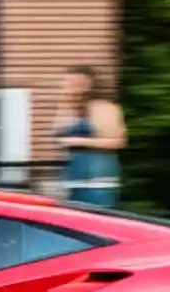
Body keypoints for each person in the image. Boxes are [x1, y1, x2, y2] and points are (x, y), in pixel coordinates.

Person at [52, 66, 126, 207]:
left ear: (90, 85)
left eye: (76, 83)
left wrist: (80, 141)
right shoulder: (67, 108)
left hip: (99, 182)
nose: (70, 88)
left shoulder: (104, 107)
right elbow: (58, 133)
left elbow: (117, 141)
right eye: (67, 83)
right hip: (73, 180)